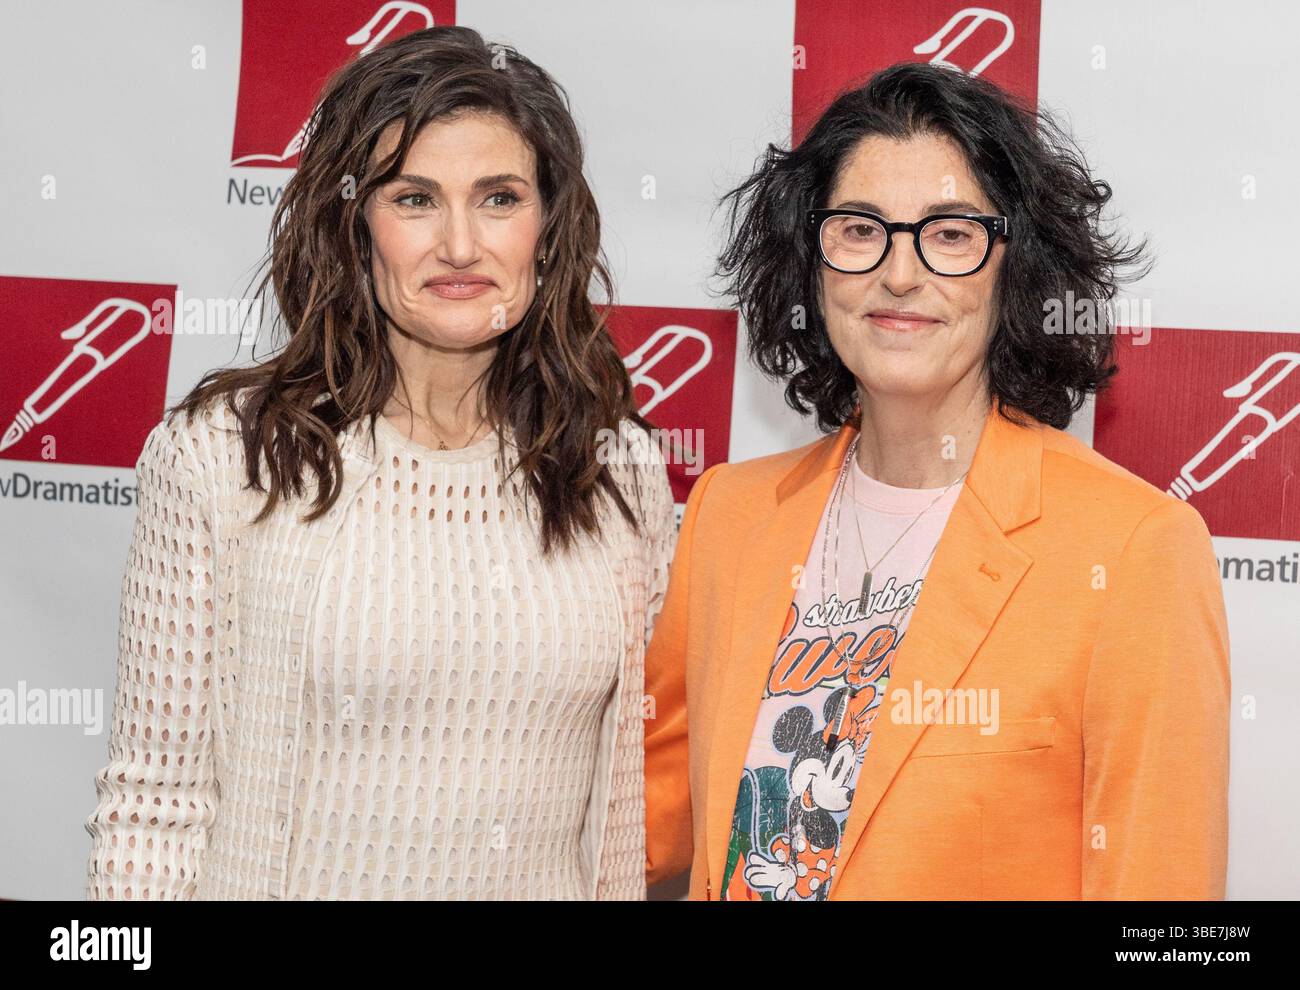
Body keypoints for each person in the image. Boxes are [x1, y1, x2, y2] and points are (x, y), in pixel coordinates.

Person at [84, 25, 674, 901]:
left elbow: (628, 810)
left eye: (501, 198)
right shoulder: (222, 457)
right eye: (414, 199)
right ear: (354, 224)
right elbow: (150, 813)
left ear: (550, 230)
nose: (462, 246)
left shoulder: (617, 471)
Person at [644, 62, 1230, 900]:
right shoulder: (728, 515)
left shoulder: (1134, 550)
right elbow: (635, 818)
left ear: (1015, 268)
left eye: (951, 234)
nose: (899, 274)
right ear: (811, 260)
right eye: (859, 229)